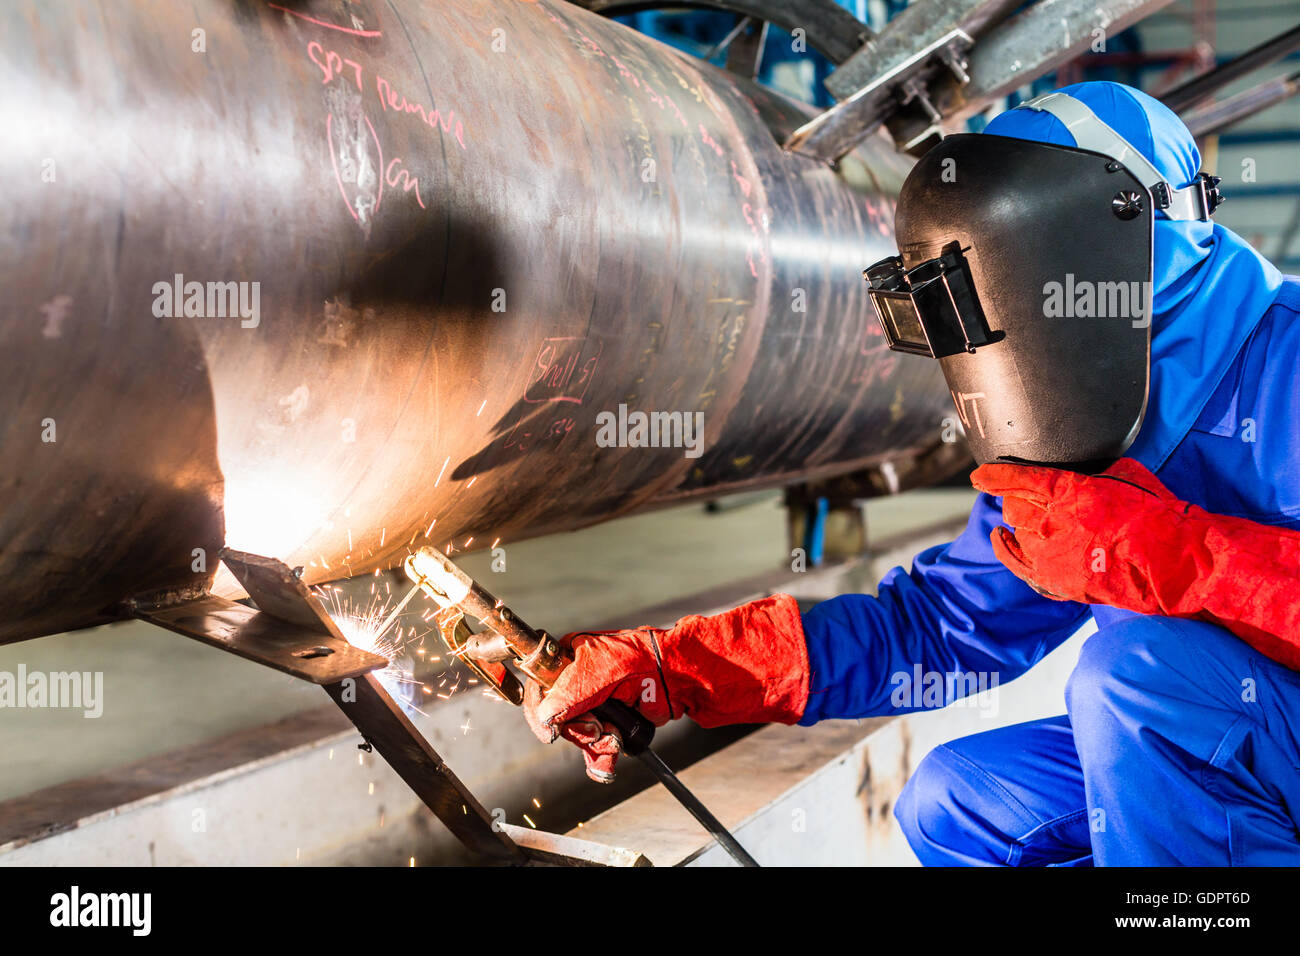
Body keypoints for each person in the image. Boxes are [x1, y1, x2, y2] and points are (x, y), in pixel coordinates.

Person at [523, 82, 1300, 866]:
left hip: (1217, 717)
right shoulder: (1068, 410)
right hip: (1225, 733)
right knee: (958, 801)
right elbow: (941, 626)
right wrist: (678, 669)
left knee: (1134, 684)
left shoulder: (1289, 362)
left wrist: (1189, 560)